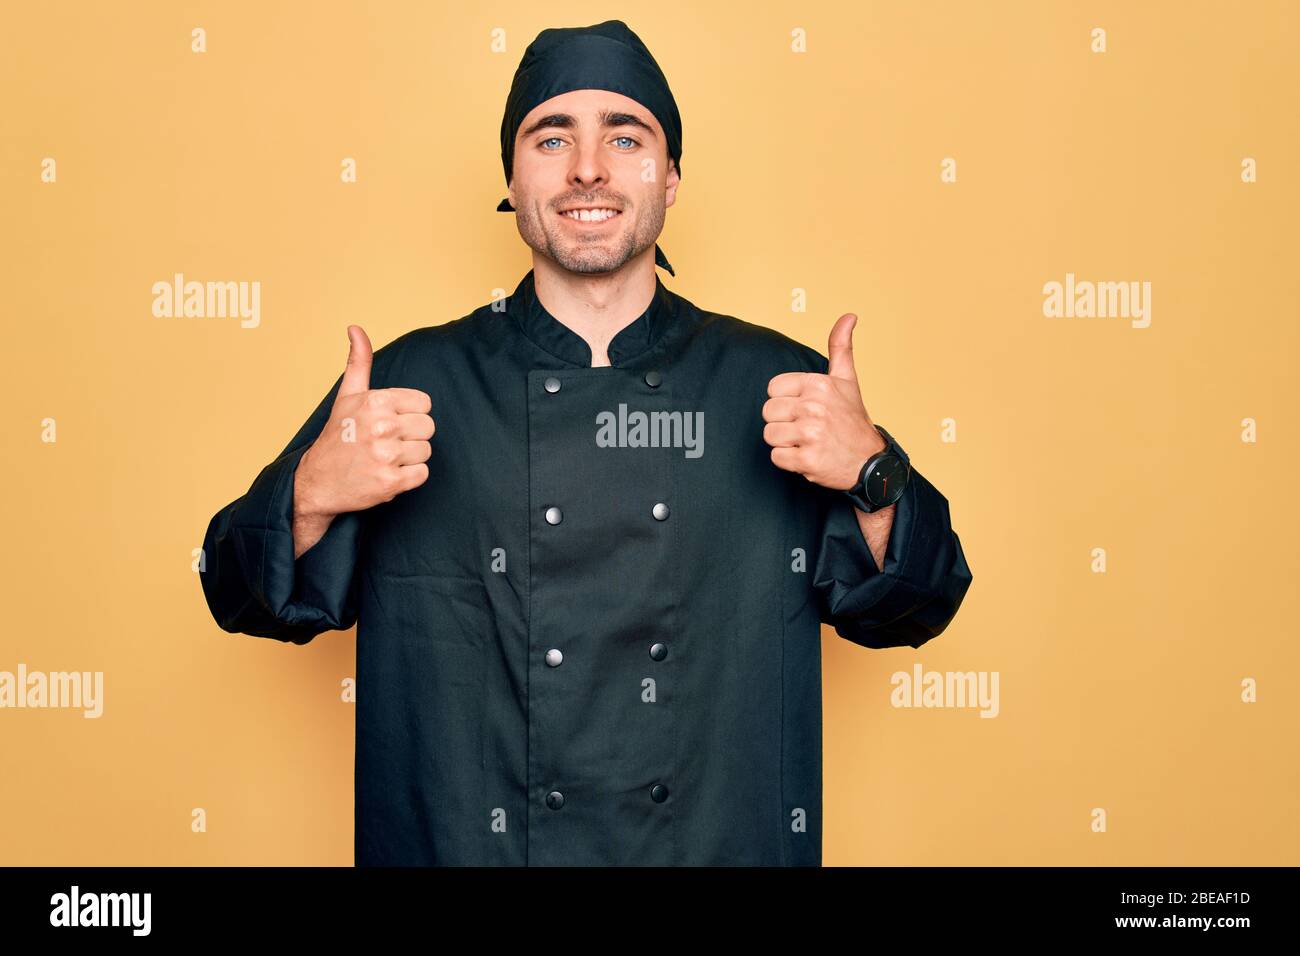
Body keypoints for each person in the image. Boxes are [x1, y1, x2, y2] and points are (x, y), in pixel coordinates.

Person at [199, 19, 973, 866]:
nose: (588, 167)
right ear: (512, 174)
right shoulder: (405, 385)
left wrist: (872, 471)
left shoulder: (779, 388)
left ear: (671, 177)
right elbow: (237, 594)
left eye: (625, 135)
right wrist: (309, 492)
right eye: (552, 135)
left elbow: (921, 606)